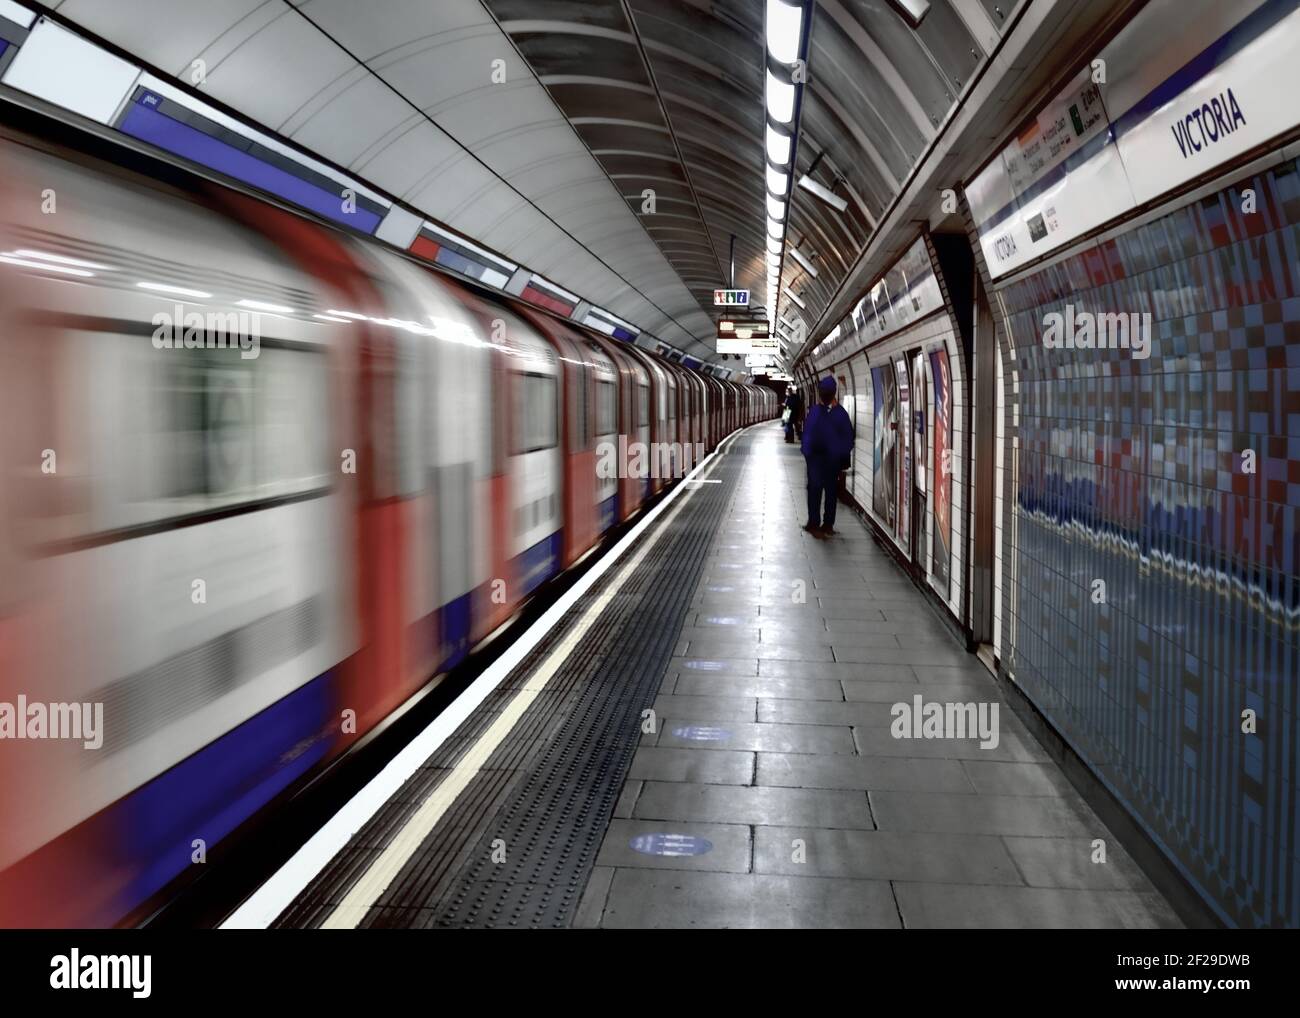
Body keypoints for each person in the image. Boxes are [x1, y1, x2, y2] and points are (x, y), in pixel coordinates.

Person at [801, 376, 854, 537]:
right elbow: (848, 438)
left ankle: (822, 523)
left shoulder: (820, 412)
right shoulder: (837, 414)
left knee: (823, 491)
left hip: (827, 460)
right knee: (821, 490)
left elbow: (807, 434)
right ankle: (819, 523)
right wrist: (808, 453)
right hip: (819, 459)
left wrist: (839, 456)